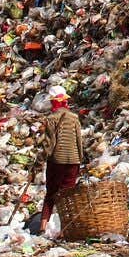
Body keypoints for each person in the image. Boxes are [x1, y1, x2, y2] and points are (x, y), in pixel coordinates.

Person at [37, 86, 84, 231]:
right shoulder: (74, 118)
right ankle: (64, 230)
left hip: (57, 161)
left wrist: (40, 160)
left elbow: (49, 143)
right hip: (73, 161)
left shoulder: (51, 119)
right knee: (66, 195)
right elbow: (78, 141)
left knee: (51, 193)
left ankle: (43, 227)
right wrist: (80, 159)